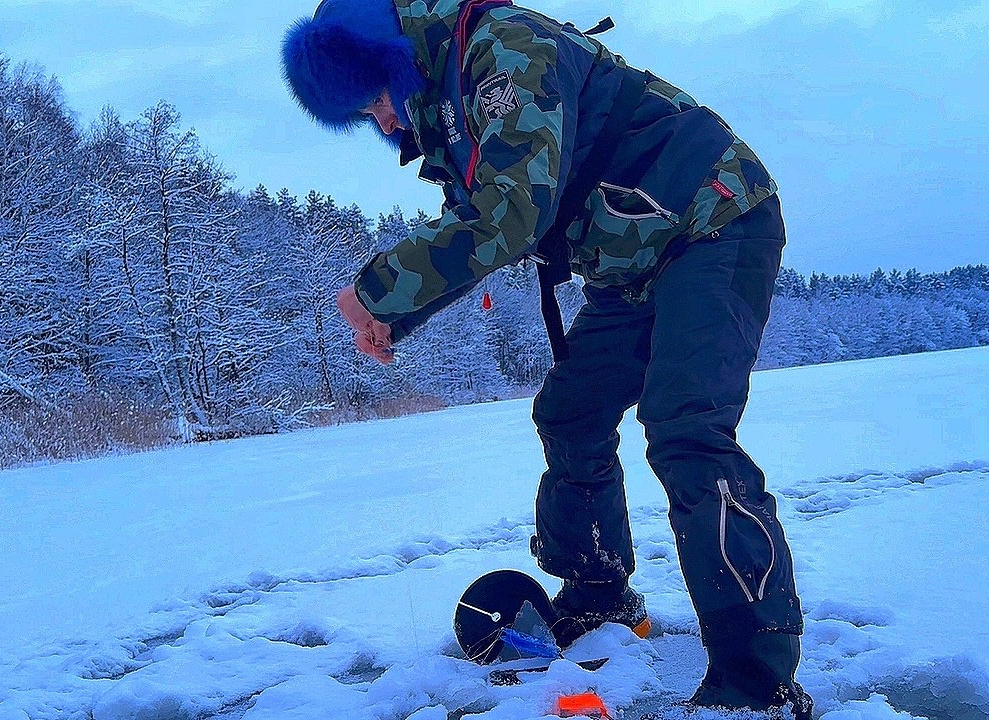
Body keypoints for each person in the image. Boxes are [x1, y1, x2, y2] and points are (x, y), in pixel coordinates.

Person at [283, 0, 812, 716]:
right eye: (364, 116)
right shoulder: (451, 106)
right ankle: (600, 597)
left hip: (715, 221)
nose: (382, 124)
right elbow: (480, 221)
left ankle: (756, 687)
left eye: (376, 101)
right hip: (637, 266)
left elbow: (509, 215)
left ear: (395, 56)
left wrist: (378, 290)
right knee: (570, 411)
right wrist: (395, 315)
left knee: (686, 428)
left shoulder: (504, 52)